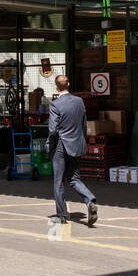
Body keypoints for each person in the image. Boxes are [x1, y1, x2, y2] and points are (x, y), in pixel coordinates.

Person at [48, 75, 97, 227]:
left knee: (58, 182)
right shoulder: (79, 101)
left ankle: (62, 215)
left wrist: (50, 144)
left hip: (61, 145)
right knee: (74, 178)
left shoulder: (55, 105)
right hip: (76, 143)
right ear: (68, 84)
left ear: (56, 87)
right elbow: (83, 124)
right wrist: (81, 140)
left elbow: (52, 129)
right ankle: (89, 199)